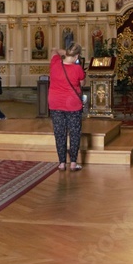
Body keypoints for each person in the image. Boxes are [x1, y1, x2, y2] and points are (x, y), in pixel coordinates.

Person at [49, 43, 85, 171]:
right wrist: (74, 59)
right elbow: (82, 83)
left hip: (55, 103)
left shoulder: (55, 63)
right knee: (74, 133)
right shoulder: (77, 68)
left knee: (59, 133)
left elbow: (54, 49)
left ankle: (62, 163)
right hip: (73, 104)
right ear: (77, 56)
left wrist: (67, 53)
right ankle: (74, 163)